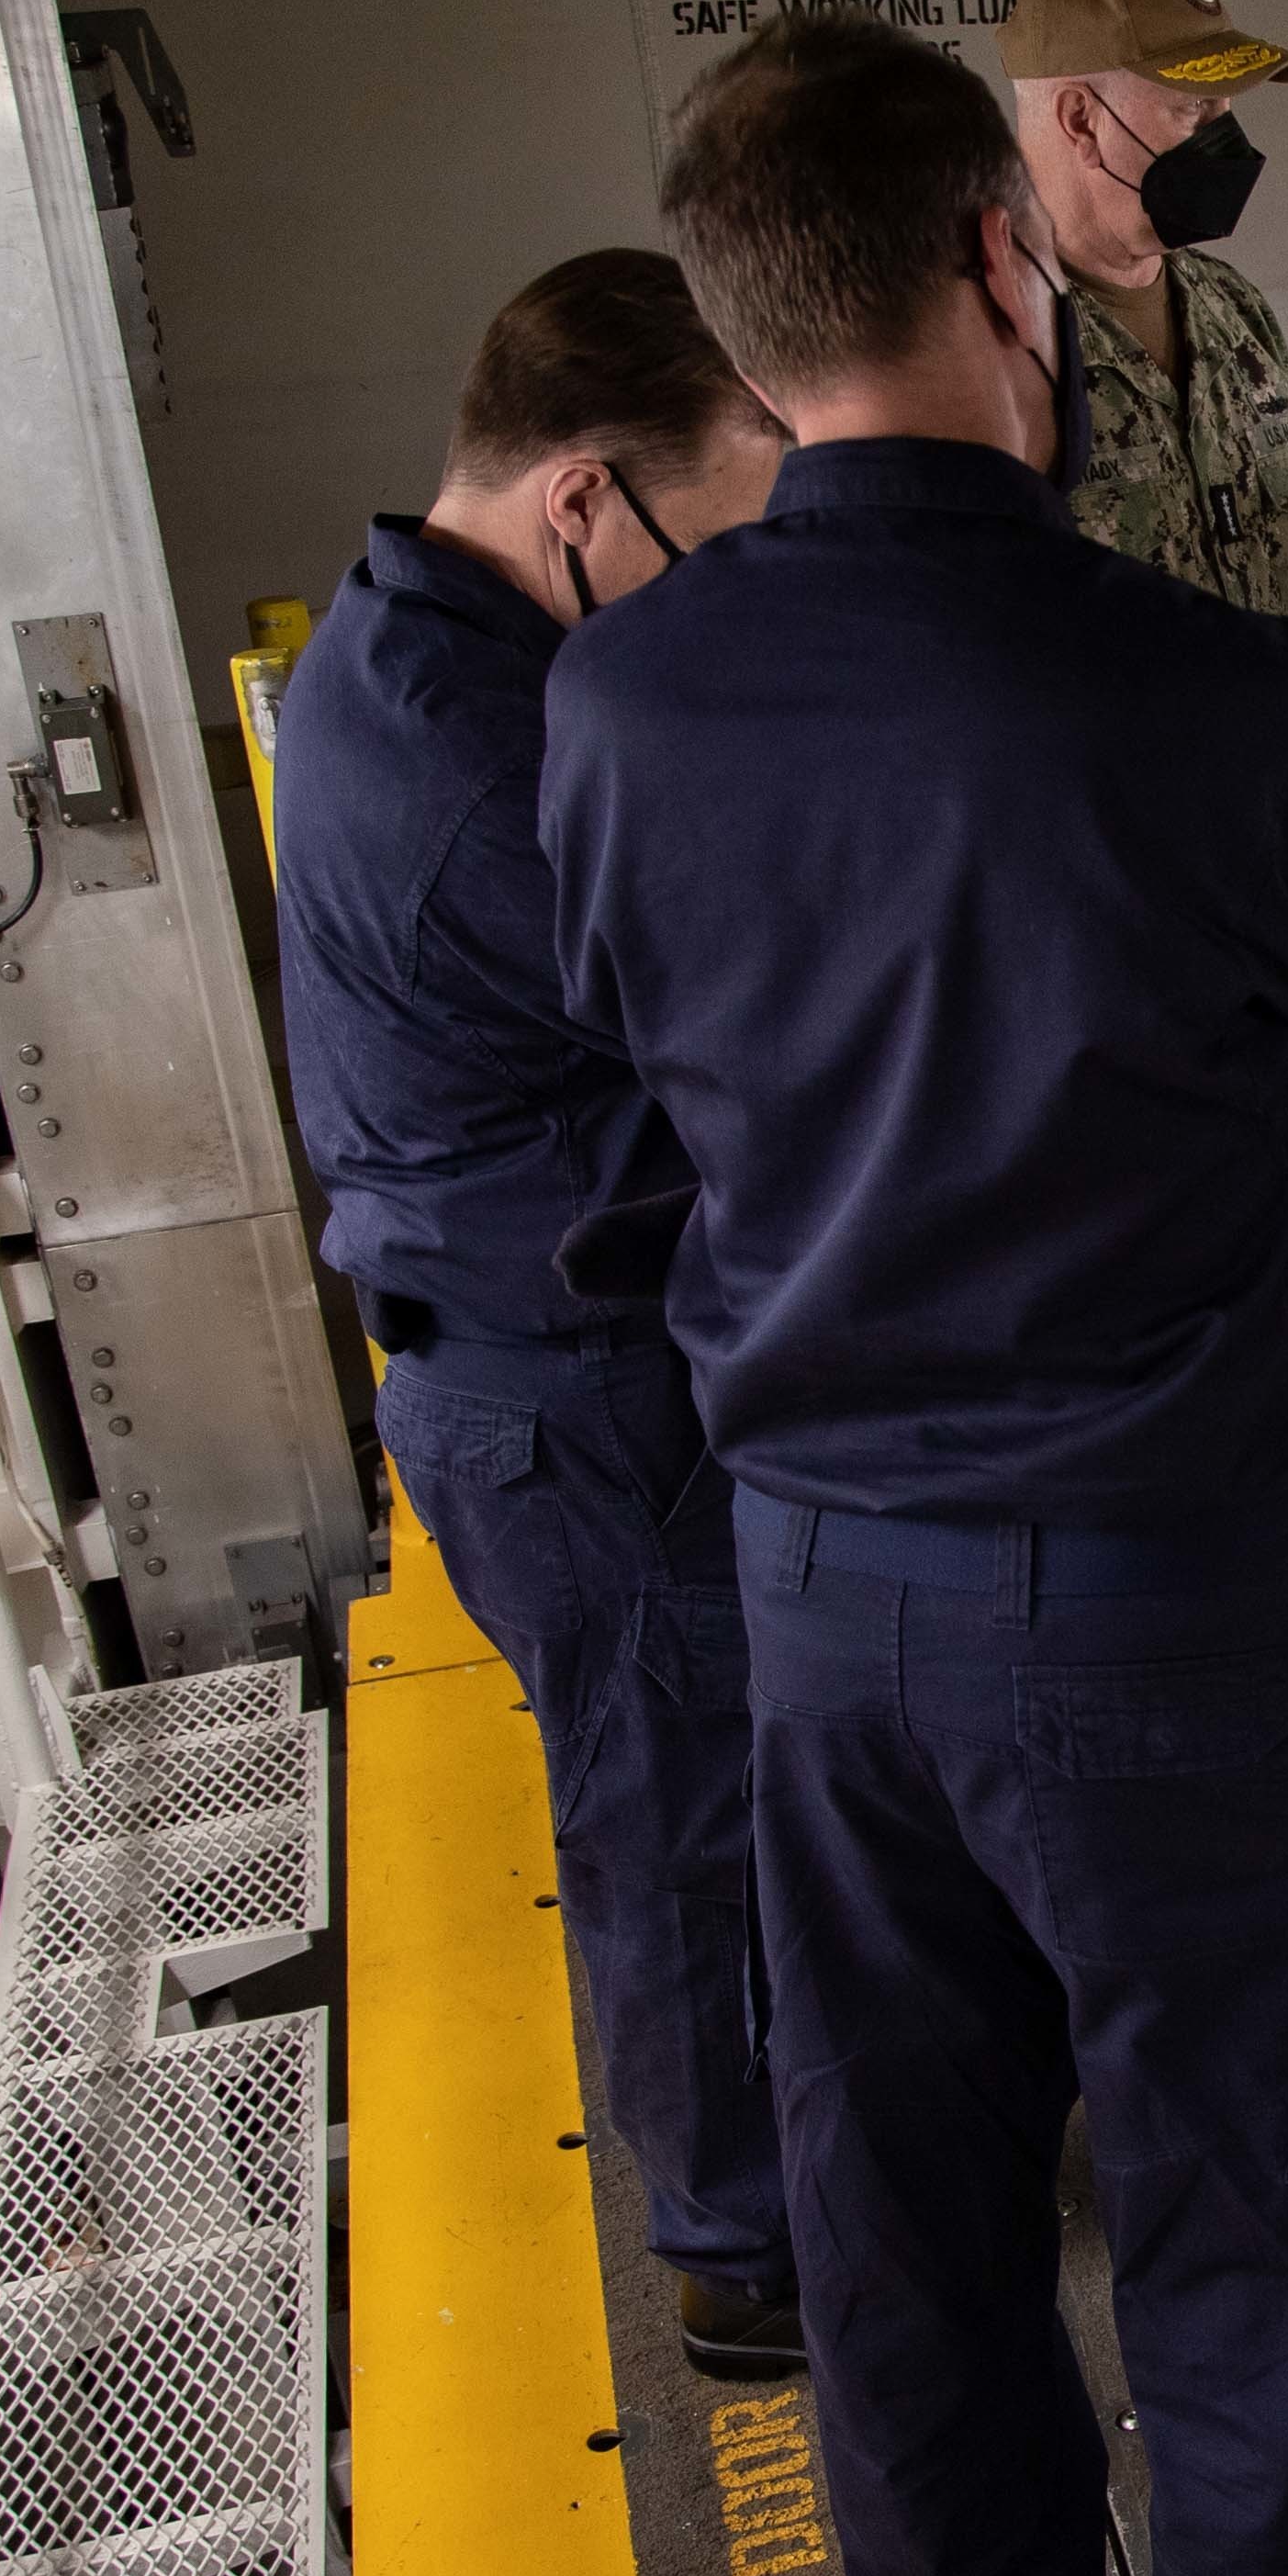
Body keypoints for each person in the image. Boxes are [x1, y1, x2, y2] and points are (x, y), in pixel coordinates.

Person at [553, 13, 1288, 2576]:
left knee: (912, 2250)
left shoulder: (618, 708)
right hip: (1155, 1610)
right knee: (1259, 2264)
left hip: (810, 1611)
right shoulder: (1209, 705)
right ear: (1005, 265)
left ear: (755, 344)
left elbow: (655, 1097)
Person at [269, 250, 801, 2382]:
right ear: (586, 495)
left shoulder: (415, 638)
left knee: (702, 1785)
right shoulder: (472, 758)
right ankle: (745, 2249)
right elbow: (737, 1038)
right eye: (706, 542)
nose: (711, 599)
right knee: (678, 1814)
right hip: (560, 1393)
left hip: (550, 1349)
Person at [999, 0, 1288, 692]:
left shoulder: (1233, 309)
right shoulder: (978, 341)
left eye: (1226, 109)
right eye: (1192, 108)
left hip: (1273, 793)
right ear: (1080, 119)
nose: (1225, 139)